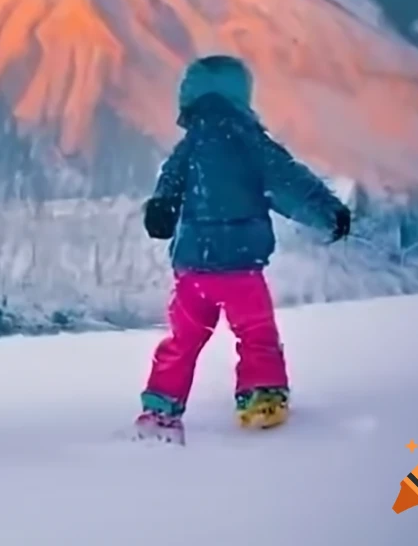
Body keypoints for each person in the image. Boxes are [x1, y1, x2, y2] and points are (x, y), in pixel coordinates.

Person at [136, 55, 351, 443]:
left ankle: (161, 407)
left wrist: (161, 209)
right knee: (256, 333)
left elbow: (168, 185)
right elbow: (291, 183)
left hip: (193, 272)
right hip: (240, 269)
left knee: (183, 339)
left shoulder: (189, 147)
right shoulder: (253, 146)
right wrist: (328, 213)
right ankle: (260, 396)